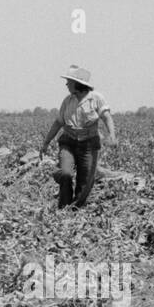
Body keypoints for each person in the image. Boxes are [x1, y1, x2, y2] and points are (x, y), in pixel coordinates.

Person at [39, 66, 117, 209]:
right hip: (68, 142)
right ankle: (63, 207)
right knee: (66, 174)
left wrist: (112, 135)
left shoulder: (96, 99)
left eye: (69, 81)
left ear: (77, 83)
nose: (67, 85)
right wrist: (46, 142)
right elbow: (58, 123)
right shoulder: (67, 101)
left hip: (89, 144)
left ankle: (74, 209)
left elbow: (106, 117)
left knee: (86, 182)